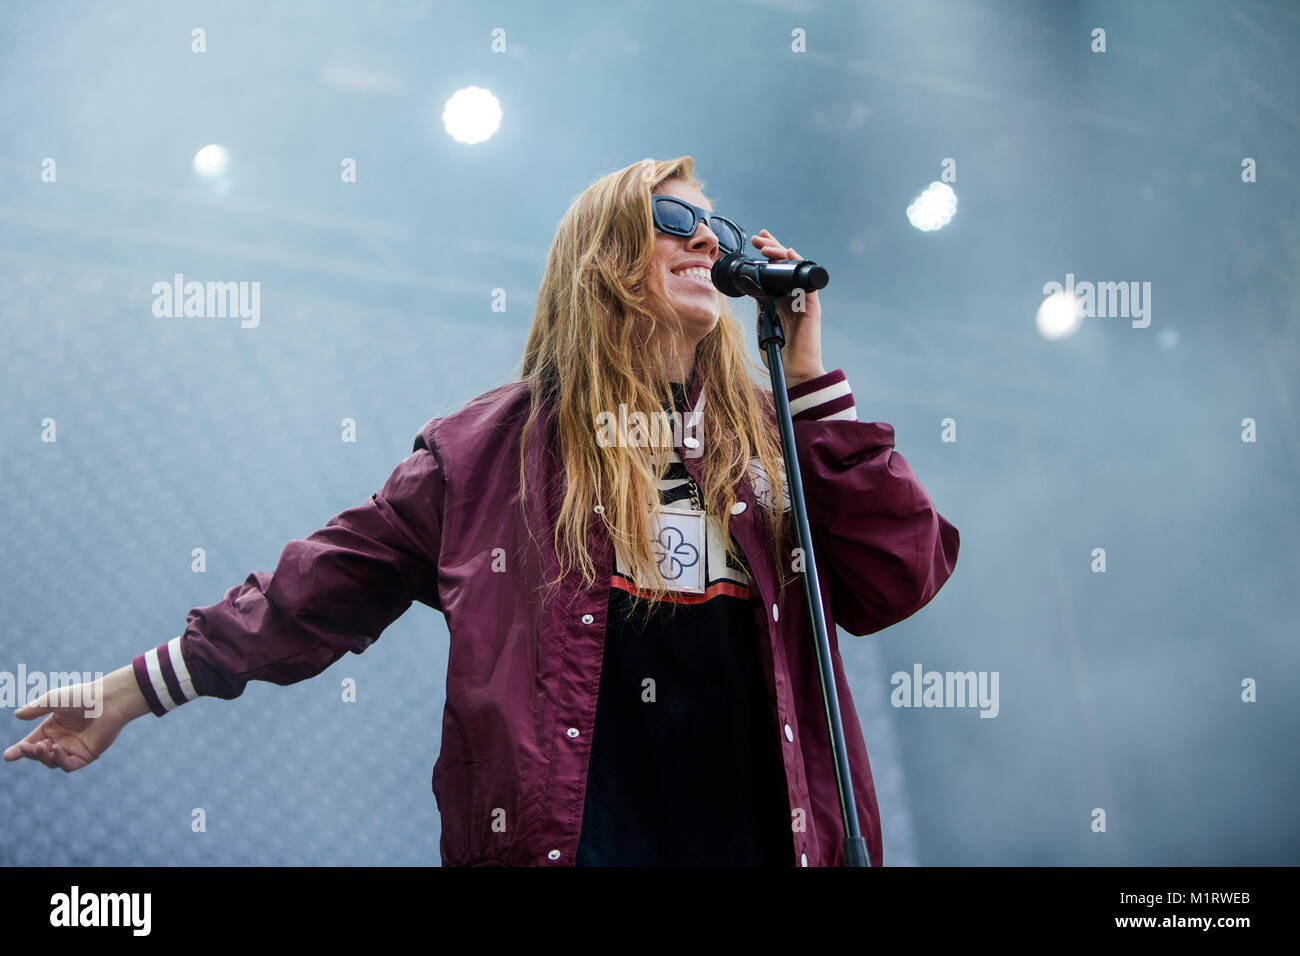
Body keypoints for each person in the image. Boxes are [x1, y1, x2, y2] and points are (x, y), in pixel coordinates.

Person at [4, 155, 960, 867]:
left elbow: (896, 578)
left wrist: (808, 386)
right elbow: (314, 593)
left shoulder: (772, 438)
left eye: (722, 227)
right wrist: (130, 691)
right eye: (676, 219)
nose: (711, 241)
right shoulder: (485, 453)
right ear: (604, 257)